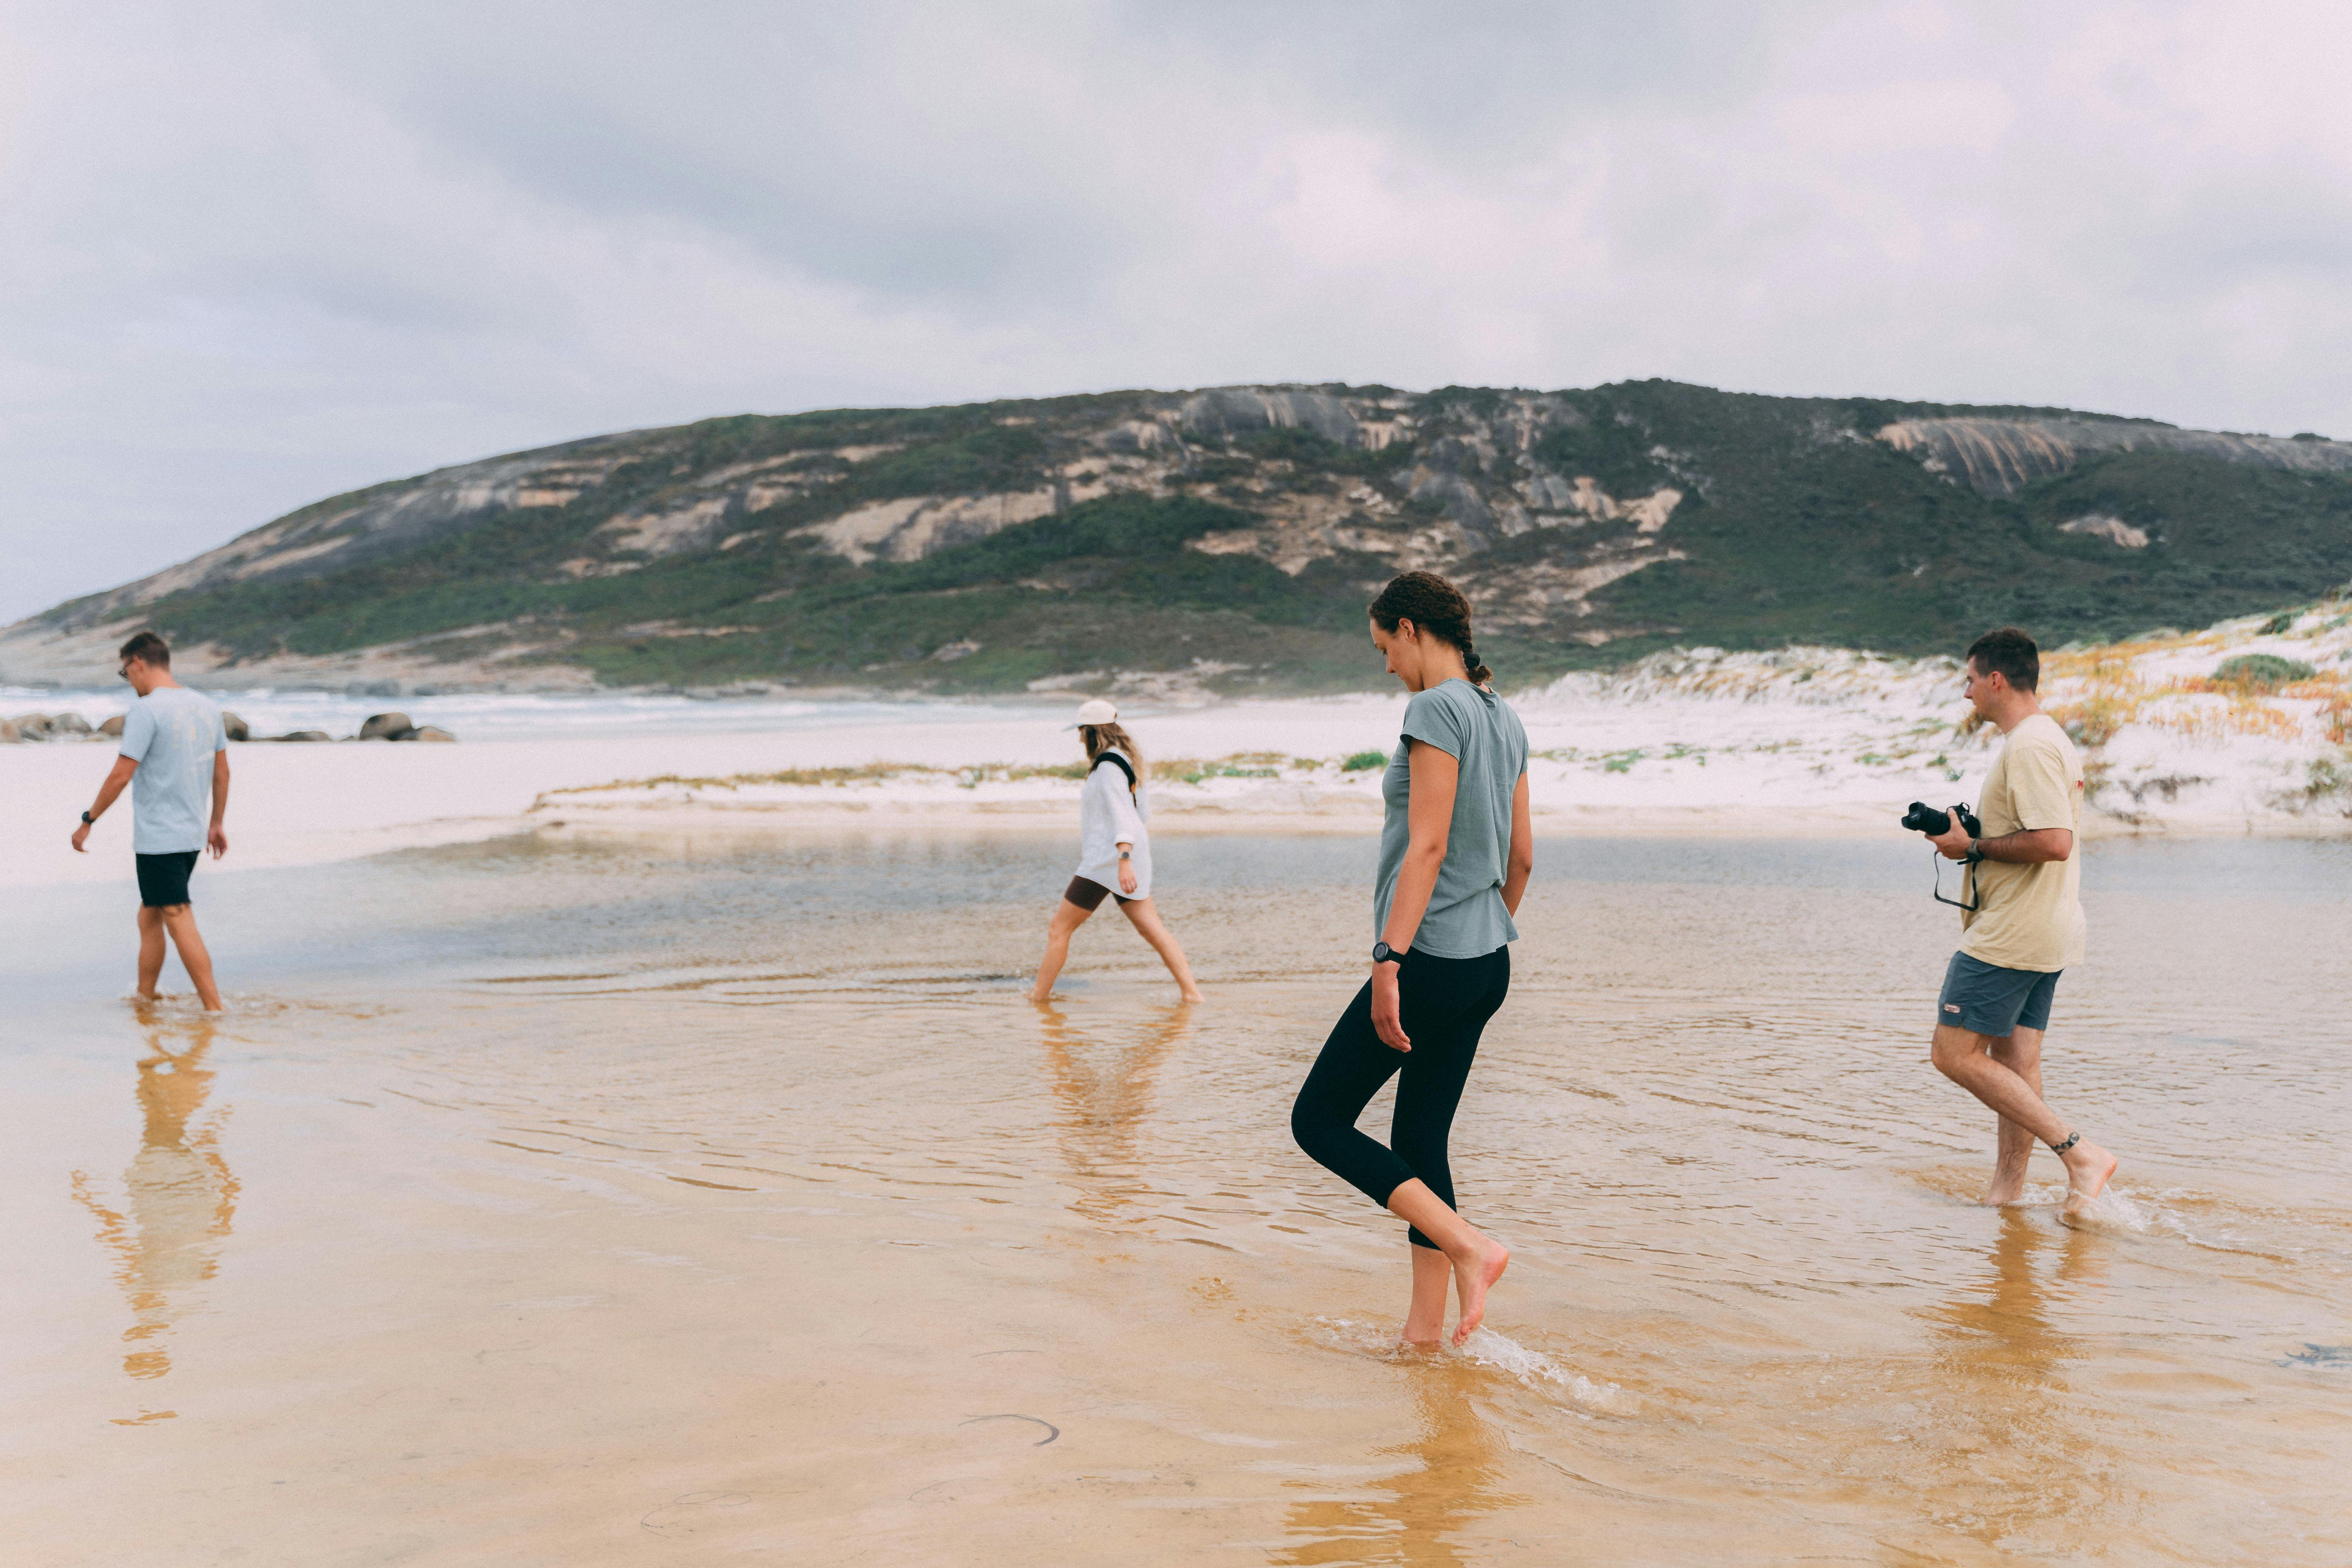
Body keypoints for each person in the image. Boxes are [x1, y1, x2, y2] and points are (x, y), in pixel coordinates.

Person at [1290, 571, 1532, 1348]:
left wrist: (1389, 961)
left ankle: (1470, 1245)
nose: (1388, 666)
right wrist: (1479, 932)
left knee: (1318, 1120)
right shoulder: (1506, 716)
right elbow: (1522, 858)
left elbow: (1427, 845)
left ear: (1409, 629)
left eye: (1384, 648)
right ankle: (1425, 1334)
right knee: (1421, 1142)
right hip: (1485, 961)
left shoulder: (1434, 708)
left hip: (1429, 957)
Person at [1918, 626, 2117, 1216]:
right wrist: (1973, 835)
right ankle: (2008, 1194)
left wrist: (1972, 848)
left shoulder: (2029, 746)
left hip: (2012, 933)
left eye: (1971, 680)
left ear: (1997, 680)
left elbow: (2054, 842)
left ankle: (2081, 1155)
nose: (1967, 693)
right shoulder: (2045, 738)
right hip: (2046, 926)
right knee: (2016, 1062)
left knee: (1953, 1054)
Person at [69, 631, 230, 1011]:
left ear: (137, 662)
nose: (129, 680)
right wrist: (216, 823)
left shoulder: (147, 710)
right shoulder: (207, 707)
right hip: (191, 835)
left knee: (176, 914)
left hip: (160, 838)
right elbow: (222, 773)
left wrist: (89, 819)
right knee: (150, 915)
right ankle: (146, 998)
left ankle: (214, 1008)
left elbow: (121, 775)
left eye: (125, 671)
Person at [1027, 699, 1204, 1004]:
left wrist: (1123, 859)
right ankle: (1192, 995)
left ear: (1092, 732)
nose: (1080, 739)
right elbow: (1141, 813)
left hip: (1109, 860)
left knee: (1059, 929)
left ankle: (1038, 998)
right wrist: (1128, 855)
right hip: (1125, 856)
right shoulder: (1125, 759)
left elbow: (1124, 816)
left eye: (1082, 731)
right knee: (1152, 930)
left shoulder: (1109, 767)